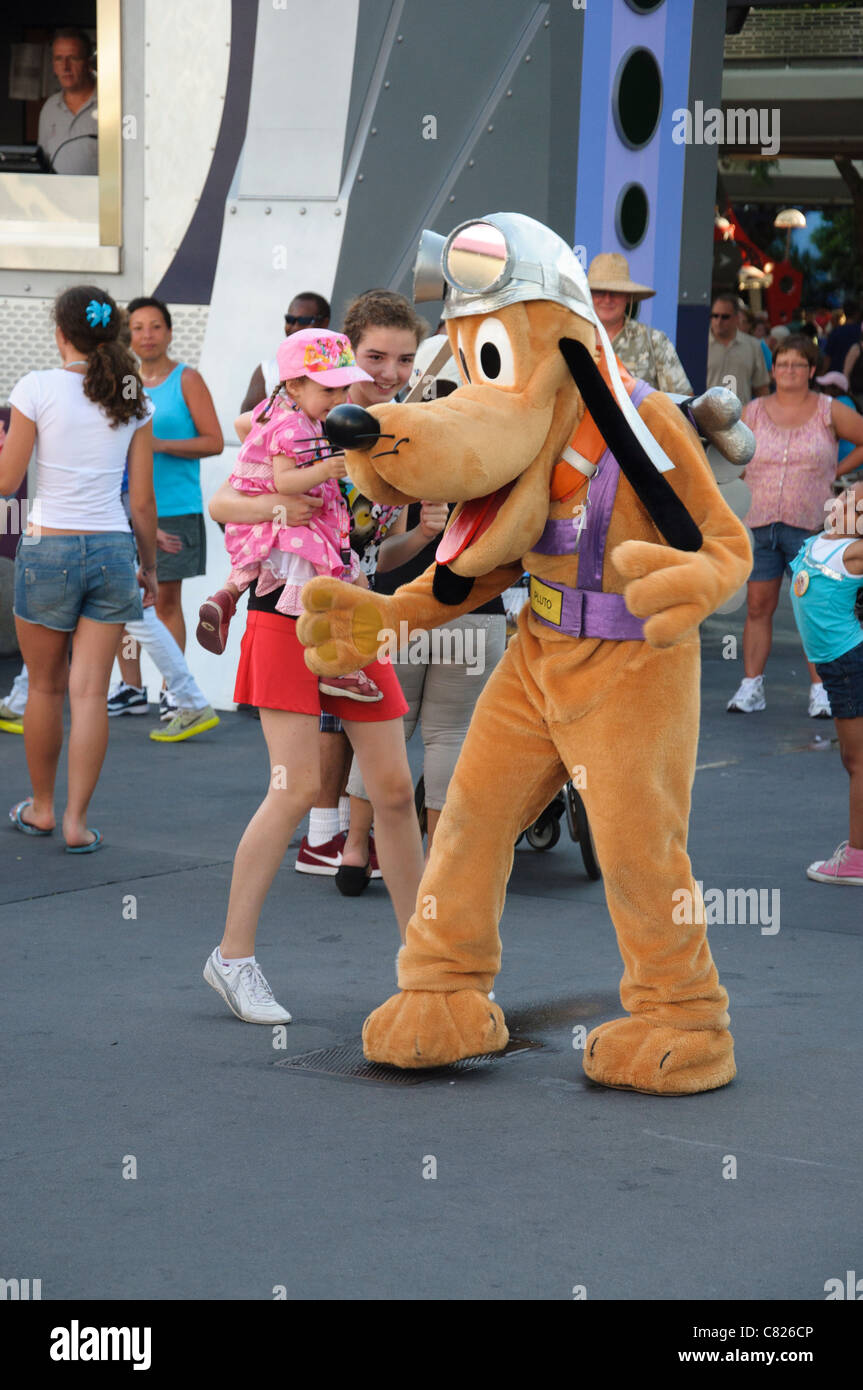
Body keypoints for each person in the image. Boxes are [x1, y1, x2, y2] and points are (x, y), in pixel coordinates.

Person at [202, 455, 426, 1025]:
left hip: (355, 617)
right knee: (294, 787)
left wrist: (424, 531)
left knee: (396, 793)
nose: (390, 369)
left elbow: (384, 549)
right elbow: (222, 503)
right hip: (282, 615)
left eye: (403, 359)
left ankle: (429, 968)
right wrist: (280, 504)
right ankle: (232, 958)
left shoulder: (394, 435)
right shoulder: (303, 425)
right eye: (374, 357)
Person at [1, 285, 155, 849]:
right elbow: (141, 501)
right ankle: (76, 822)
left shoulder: (36, 387)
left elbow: (4, 481)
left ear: (59, 332)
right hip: (114, 550)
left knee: (44, 688)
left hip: (49, 548)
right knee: (91, 692)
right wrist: (152, 568)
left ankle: (42, 808)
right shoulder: (133, 393)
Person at [196, 328, 382, 704]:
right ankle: (339, 669)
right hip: (299, 528)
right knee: (338, 582)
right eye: (327, 390)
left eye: (343, 390)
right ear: (294, 386)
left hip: (267, 526)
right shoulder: (295, 427)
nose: (339, 399)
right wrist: (326, 470)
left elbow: (242, 424)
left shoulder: (276, 411)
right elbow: (285, 481)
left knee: (343, 585)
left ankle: (224, 598)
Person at [727, 335, 863, 716]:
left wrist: (837, 469)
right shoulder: (752, 411)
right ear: (772, 370)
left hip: (810, 525)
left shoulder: (828, 409)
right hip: (760, 521)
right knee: (757, 606)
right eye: (783, 363)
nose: (789, 370)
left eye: (798, 364)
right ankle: (750, 686)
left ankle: (822, 689)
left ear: (812, 370)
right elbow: (730, 453)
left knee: (815, 606)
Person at [126, 296, 223, 720]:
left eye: (155, 326)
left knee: (164, 602)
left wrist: (158, 444)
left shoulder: (187, 379)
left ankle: (172, 692)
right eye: (137, 328)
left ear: (168, 332)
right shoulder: (125, 382)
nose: (146, 335)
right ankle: (129, 689)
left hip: (175, 508)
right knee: (122, 603)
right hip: (125, 509)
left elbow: (214, 441)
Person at [789, 484, 863, 885]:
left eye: (855, 502)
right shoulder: (820, 541)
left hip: (849, 664)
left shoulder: (852, 552)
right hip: (837, 666)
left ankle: (857, 859)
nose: (844, 498)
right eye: (848, 492)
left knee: (858, 763)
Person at [587, 253, 692, 393]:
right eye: (600, 292)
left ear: (628, 296)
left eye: (616, 292)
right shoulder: (573, 338)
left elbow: (681, 399)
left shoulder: (654, 341)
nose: (607, 299)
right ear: (588, 294)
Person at [239, 294, 331, 415]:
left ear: (324, 323)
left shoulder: (336, 365)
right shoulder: (267, 370)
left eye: (303, 321)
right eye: (290, 319)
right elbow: (247, 420)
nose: (294, 326)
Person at [37, 28, 98, 174]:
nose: (65, 67)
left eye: (73, 58)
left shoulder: (113, 103)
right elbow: (41, 160)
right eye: (59, 58)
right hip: (58, 195)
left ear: (88, 63)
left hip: (101, 195)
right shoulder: (49, 108)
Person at [706, 292, 770, 405]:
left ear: (737, 318)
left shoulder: (753, 346)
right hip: (704, 418)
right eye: (715, 316)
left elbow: (761, 388)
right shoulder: (699, 346)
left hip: (741, 418)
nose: (718, 321)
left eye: (725, 317)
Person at [824, 302, 861, 375]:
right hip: (855, 375)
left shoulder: (836, 331)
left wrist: (823, 373)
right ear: (857, 313)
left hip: (836, 373)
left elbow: (828, 357)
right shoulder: (860, 331)